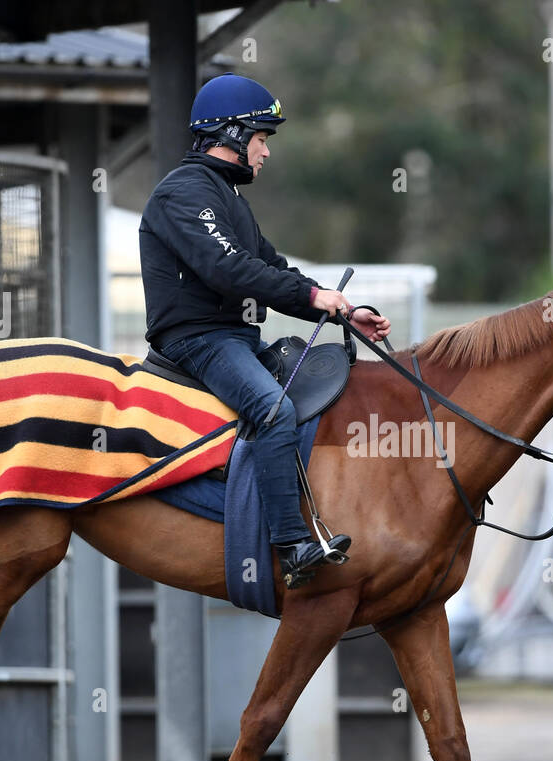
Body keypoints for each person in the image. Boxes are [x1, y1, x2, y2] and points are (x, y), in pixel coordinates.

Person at [139, 74, 391, 588]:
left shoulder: (227, 196)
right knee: (274, 411)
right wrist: (313, 298)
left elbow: (271, 268)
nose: (265, 151)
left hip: (234, 338)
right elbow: (228, 268)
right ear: (231, 134)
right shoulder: (183, 192)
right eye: (261, 138)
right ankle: (293, 548)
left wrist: (340, 311)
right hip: (198, 341)